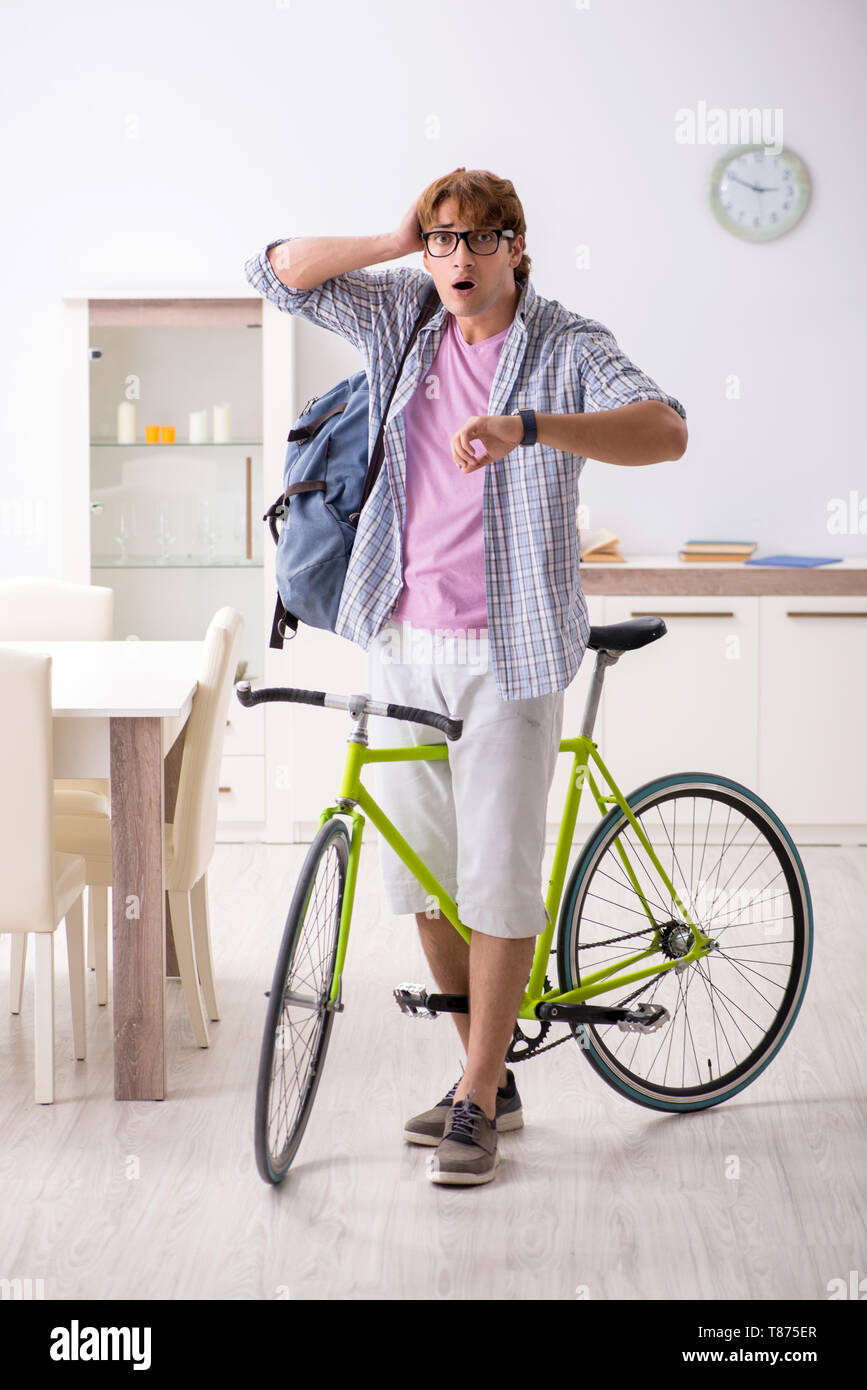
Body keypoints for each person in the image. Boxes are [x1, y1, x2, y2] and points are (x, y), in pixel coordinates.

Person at [245, 167, 687, 1187]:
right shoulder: (405, 314)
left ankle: (478, 1098)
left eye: (478, 239)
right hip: (401, 637)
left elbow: (665, 430)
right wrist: (394, 236)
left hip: (513, 649)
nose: (459, 258)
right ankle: (489, 1076)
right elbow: (273, 274)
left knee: (494, 873)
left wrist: (530, 427)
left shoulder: (567, 345)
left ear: (516, 248)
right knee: (424, 873)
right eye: (444, 239)